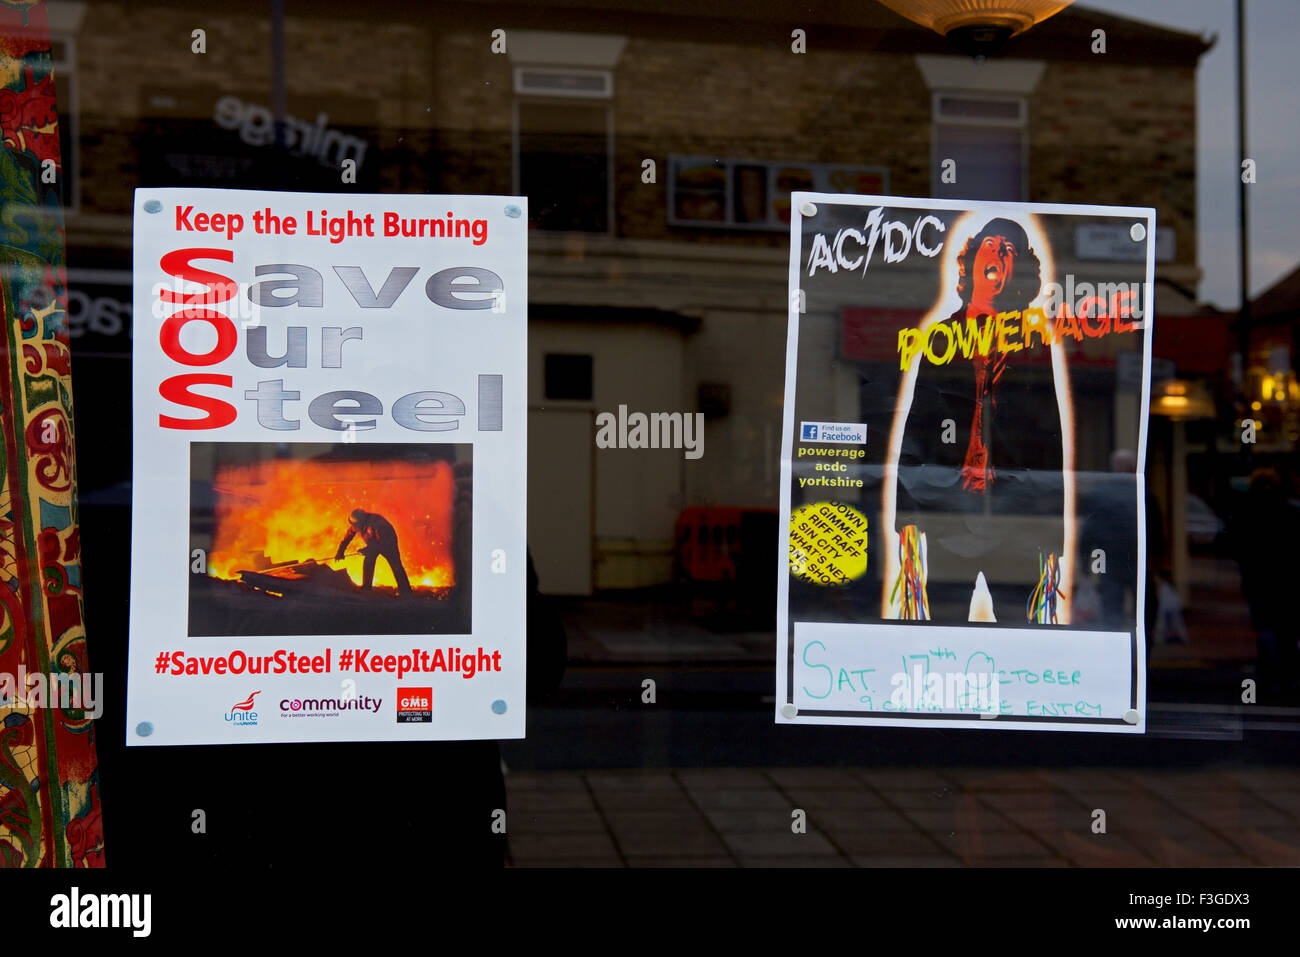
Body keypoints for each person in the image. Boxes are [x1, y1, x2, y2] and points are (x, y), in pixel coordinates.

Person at [894, 217, 1065, 623]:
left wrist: (1051, 528)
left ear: (1019, 271)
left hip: (1013, 521)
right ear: (970, 262)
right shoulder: (941, 336)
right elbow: (916, 426)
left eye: (1009, 250)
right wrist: (907, 516)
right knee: (945, 630)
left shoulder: (1030, 341)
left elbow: (1049, 437)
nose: (997, 253)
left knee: (1017, 634)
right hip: (950, 515)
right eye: (989, 244)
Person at [335, 508, 413, 596]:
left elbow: (382, 543)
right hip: (373, 543)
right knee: (368, 562)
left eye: (355, 526)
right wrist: (340, 551)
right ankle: (366, 589)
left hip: (388, 543)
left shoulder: (378, 524)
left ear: (361, 522)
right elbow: (349, 536)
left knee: (396, 566)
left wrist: (368, 549)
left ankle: (406, 591)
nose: (354, 528)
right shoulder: (358, 523)